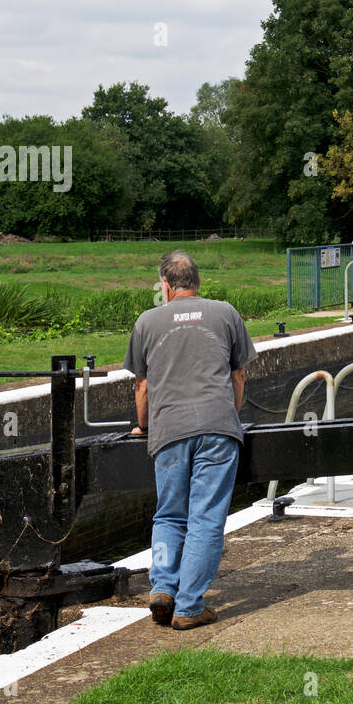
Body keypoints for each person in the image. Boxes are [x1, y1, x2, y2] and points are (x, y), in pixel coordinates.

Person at [124, 251, 256, 630]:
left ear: (165, 286)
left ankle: (162, 588)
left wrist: (144, 427)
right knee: (205, 518)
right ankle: (189, 606)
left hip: (168, 431)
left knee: (168, 513)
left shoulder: (147, 321)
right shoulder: (225, 313)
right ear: (198, 282)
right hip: (217, 428)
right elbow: (239, 374)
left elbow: (142, 384)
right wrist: (228, 416)